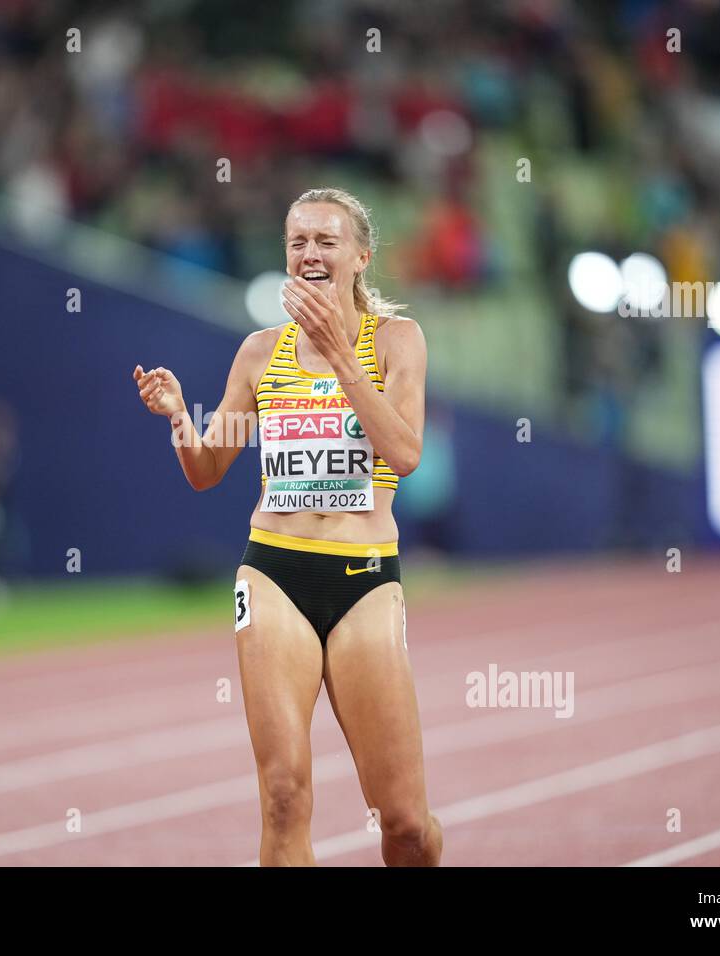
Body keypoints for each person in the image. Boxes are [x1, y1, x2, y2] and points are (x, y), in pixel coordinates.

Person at [133, 187, 442, 866]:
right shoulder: (258, 353)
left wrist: (339, 354)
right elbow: (207, 468)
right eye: (297, 241)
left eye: (326, 241)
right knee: (282, 795)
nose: (309, 253)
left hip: (364, 581)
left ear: (360, 257)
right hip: (273, 572)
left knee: (405, 821)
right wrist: (181, 417)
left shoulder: (396, 342)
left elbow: (406, 454)